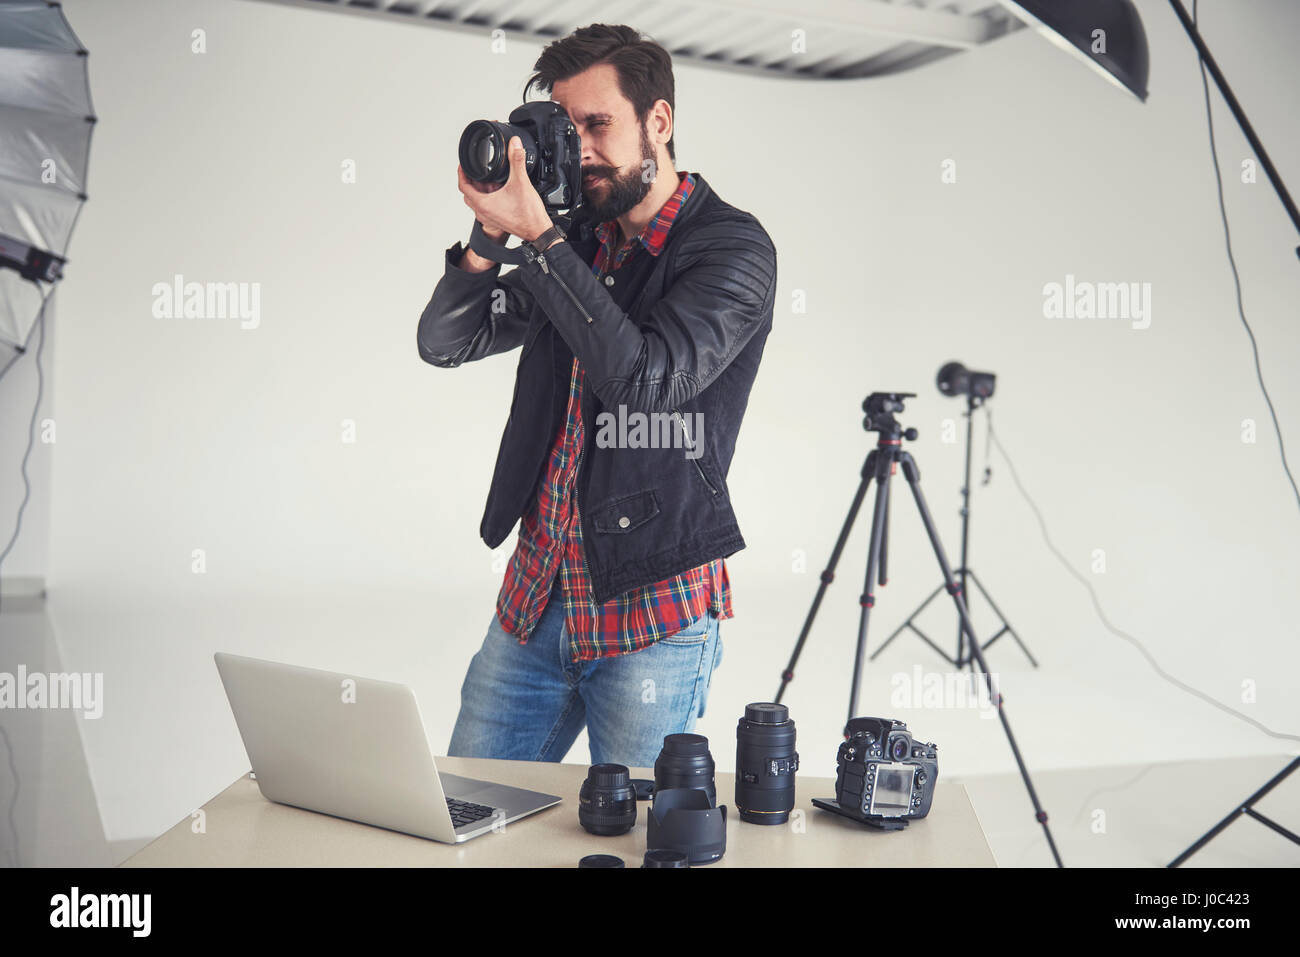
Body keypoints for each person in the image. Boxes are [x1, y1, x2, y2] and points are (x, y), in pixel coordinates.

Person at [417, 23, 777, 770]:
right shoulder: (577, 239)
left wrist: (542, 238)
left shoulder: (732, 249)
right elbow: (446, 342)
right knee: (467, 814)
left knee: (647, 838)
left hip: (653, 611)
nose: (578, 149)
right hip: (535, 596)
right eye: (564, 126)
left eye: (597, 124)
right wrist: (490, 235)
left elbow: (644, 386)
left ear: (659, 122)